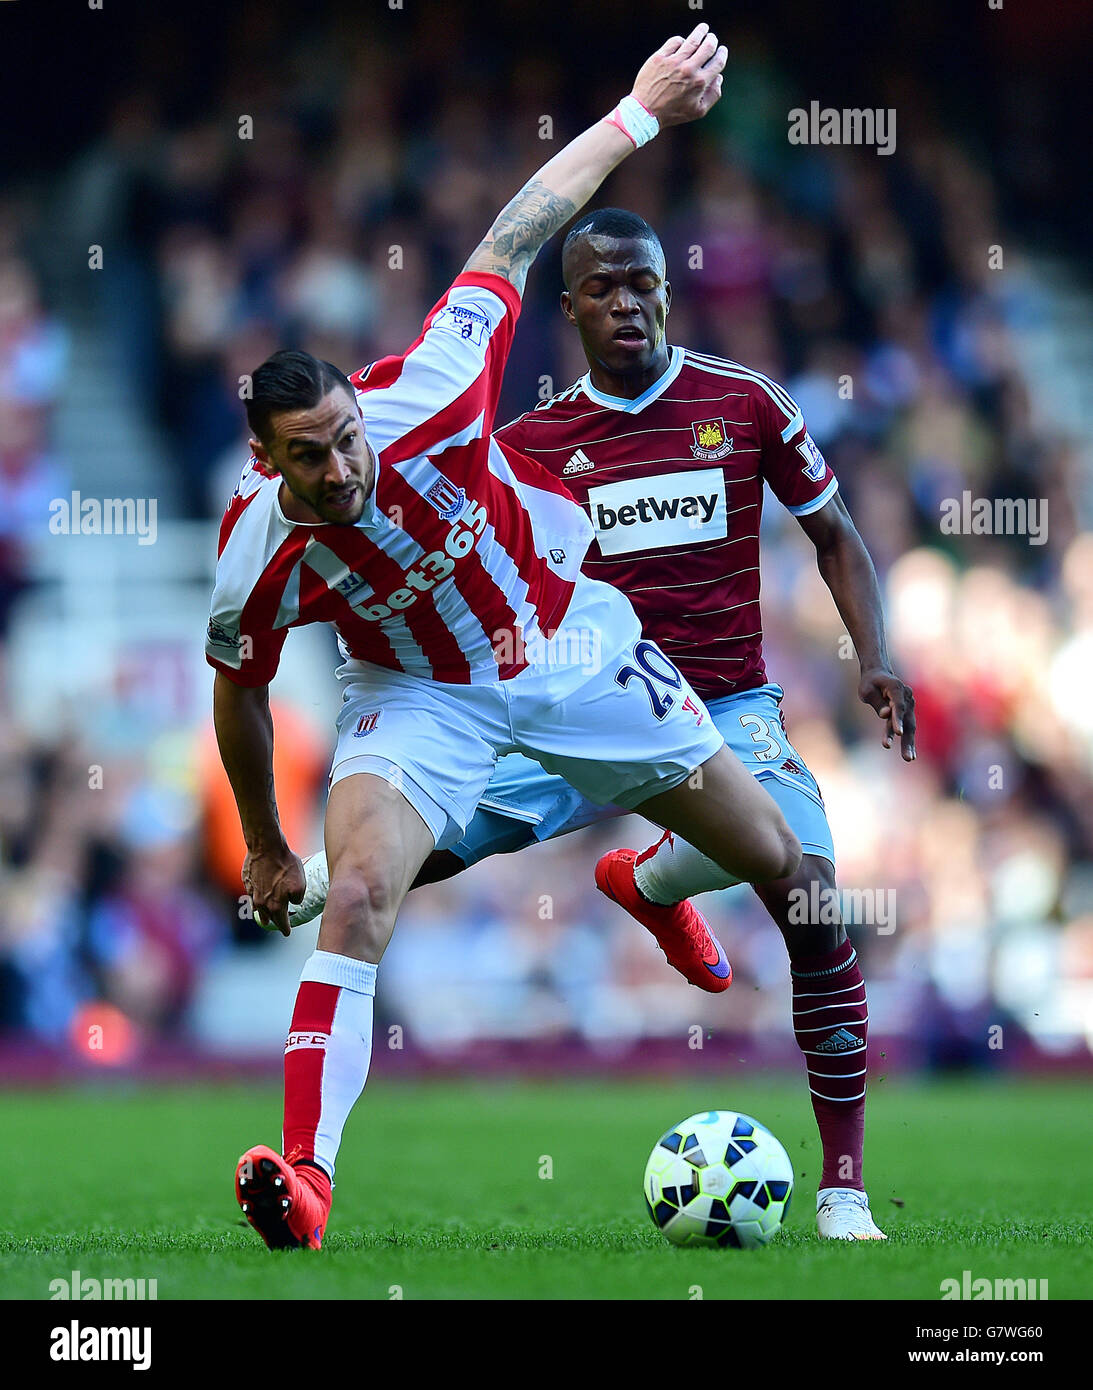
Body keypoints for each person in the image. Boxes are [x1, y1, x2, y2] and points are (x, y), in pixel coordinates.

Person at [209, 25, 800, 1252]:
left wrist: (640, 111)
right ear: (266, 460)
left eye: (347, 438)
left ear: (362, 410)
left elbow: (518, 230)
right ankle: (307, 1180)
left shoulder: (433, 390)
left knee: (775, 855)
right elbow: (240, 690)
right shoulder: (254, 552)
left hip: (567, 641)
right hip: (416, 689)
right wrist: (264, 843)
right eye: (309, 458)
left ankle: (644, 880)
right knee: (355, 893)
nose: (343, 469)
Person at [289, 205, 917, 1240]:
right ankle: (318, 882)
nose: (628, 303)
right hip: (578, 705)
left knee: (809, 894)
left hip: (721, 707)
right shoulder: (528, 448)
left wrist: (874, 656)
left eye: (643, 283)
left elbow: (834, 534)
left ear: (667, 290)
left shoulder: (743, 402)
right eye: (603, 287)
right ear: (570, 306)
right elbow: (453, 570)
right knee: (428, 849)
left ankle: (842, 1190)